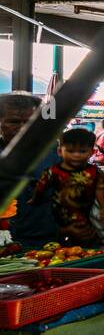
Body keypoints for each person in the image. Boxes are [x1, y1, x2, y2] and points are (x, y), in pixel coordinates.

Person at [30, 128, 104, 246]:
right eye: (70, 151)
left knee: (84, 238)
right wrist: (35, 199)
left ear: (91, 152)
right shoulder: (53, 171)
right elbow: (41, 186)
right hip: (58, 214)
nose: (76, 155)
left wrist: (103, 208)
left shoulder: (95, 172)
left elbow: (99, 188)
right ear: (60, 151)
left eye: (82, 151)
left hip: (86, 213)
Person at [0, 92, 59, 246]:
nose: (23, 128)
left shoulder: (54, 153)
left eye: (29, 122)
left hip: (46, 241)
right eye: (14, 121)